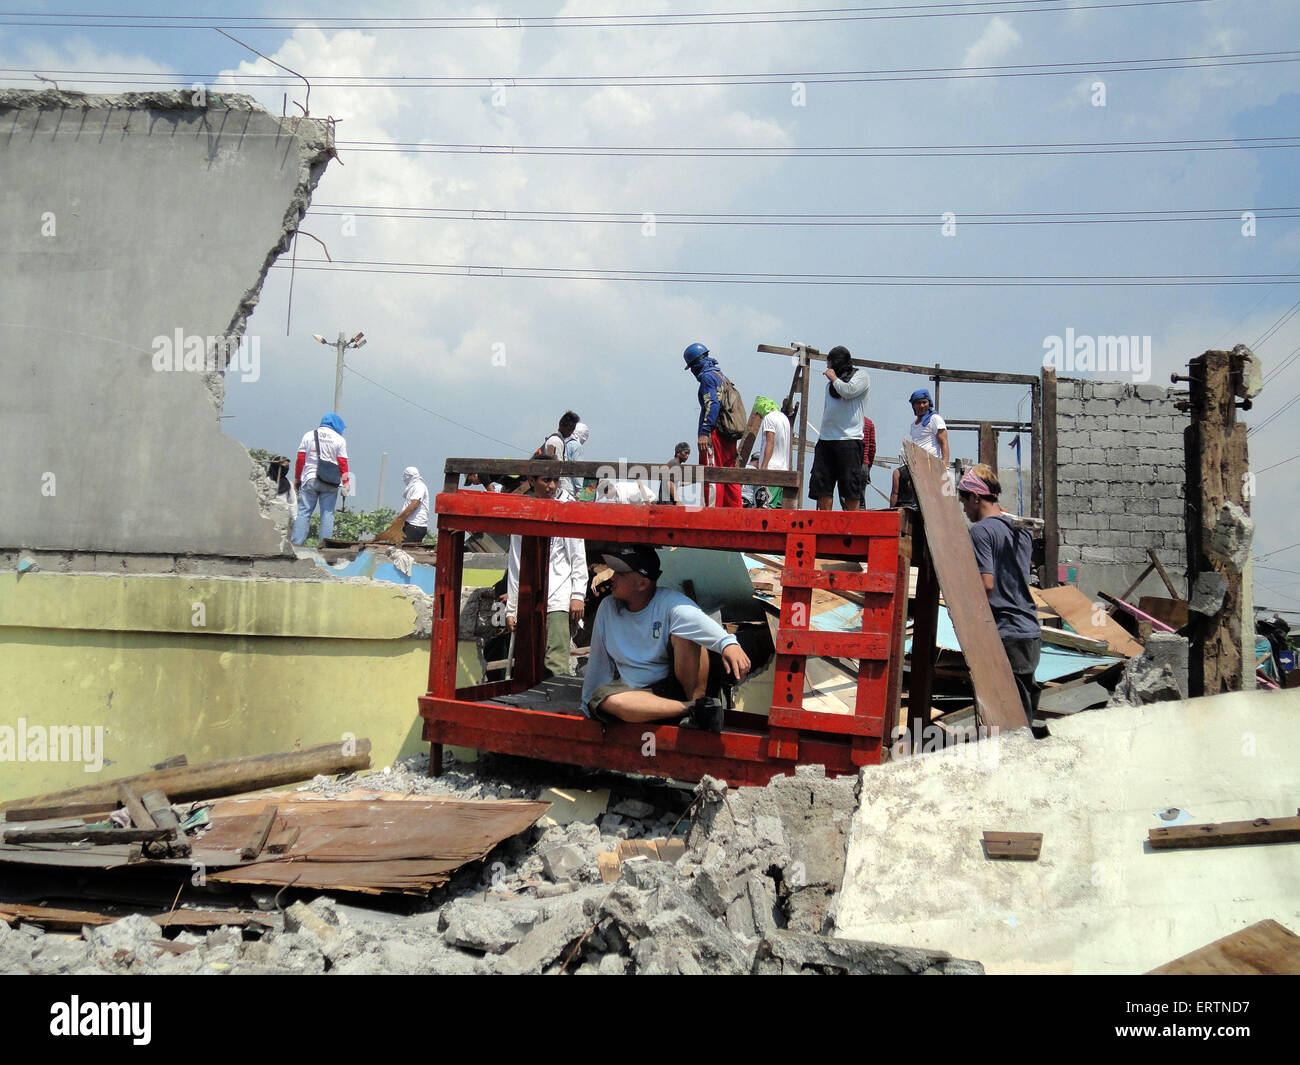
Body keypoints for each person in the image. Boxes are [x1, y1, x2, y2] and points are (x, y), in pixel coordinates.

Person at [581, 545, 751, 733]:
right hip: (632, 697)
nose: (612, 577)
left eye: (620, 573)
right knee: (603, 699)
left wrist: (728, 644)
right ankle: (692, 709)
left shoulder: (670, 603)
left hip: (670, 689)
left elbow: (698, 621)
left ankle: (695, 707)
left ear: (642, 584)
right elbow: (598, 664)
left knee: (685, 633)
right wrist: (585, 710)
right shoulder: (607, 608)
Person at [957, 464, 1049, 738]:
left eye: (964, 502)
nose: (964, 510)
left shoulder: (981, 532)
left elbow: (986, 584)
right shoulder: (1020, 526)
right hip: (1029, 631)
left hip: (1006, 632)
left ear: (975, 497)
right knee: (1024, 713)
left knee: (1012, 725)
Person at [506, 461, 588, 677]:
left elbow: (578, 554)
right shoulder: (523, 511)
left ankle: (556, 707)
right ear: (532, 481)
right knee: (528, 661)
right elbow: (516, 563)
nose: (552, 486)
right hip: (529, 595)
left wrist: (578, 594)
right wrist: (512, 607)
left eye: (555, 480)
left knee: (555, 662)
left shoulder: (567, 507)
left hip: (558, 596)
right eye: (546, 480)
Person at [808, 345, 869, 511]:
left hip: (849, 440)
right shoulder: (830, 386)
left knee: (850, 487)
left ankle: (851, 526)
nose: (828, 369)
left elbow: (849, 391)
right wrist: (834, 381)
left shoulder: (861, 376)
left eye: (829, 364)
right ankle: (825, 523)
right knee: (822, 484)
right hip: (826, 440)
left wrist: (834, 378)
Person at [682, 343, 742, 508]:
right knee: (729, 475)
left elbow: (712, 403)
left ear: (695, 364)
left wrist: (704, 432)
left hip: (715, 434)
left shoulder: (708, 377)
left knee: (711, 473)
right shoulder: (721, 376)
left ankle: (712, 514)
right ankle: (735, 513)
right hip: (728, 434)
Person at [292, 413, 350, 544]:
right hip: (331, 482)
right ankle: (324, 546)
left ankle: (296, 543)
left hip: (310, 478)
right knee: (327, 514)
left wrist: (297, 479)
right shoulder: (340, 440)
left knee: (304, 512)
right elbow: (343, 463)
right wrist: (346, 483)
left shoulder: (309, 435)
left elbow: (300, 459)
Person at [757, 395, 792, 508]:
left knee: (766, 506)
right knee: (778, 508)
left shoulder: (769, 418)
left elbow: (769, 442)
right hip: (783, 469)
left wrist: (763, 468)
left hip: (771, 470)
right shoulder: (784, 418)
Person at [393, 466, 430, 543]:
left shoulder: (419, 486)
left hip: (415, 525)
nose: (404, 479)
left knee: (404, 551)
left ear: (409, 476)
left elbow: (414, 505)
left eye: (405, 476)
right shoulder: (413, 487)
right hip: (410, 525)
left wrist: (399, 518)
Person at [560, 421, 589, 497]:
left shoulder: (565, 443)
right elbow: (578, 469)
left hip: (562, 486)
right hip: (570, 489)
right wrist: (581, 490)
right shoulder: (576, 445)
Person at [858, 415, 877, 507]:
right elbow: (872, 447)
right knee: (860, 498)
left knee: (846, 498)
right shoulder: (868, 422)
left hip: (847, 464)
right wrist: (868, 466)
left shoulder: (844, 421)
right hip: (863, 464)